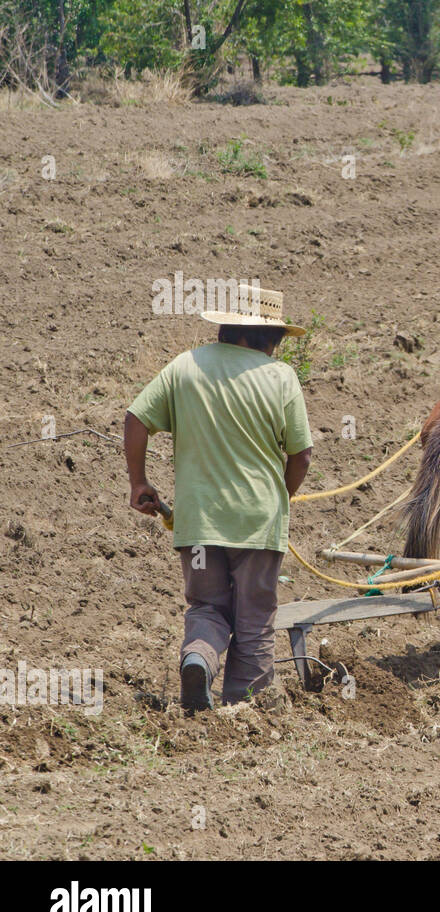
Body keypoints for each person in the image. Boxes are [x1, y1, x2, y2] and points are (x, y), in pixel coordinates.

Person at [124, 284, 313, 712]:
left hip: (197, 525)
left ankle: (197, 659)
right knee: (254, 618)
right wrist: (280, 497)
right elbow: (301, 455)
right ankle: (247, 706)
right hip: (258, 525)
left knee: (207, 605)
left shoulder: (185, 366)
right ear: (263, 337)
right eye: (276, 338)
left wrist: (139, 481)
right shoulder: (279, 377)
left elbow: (136, 418)